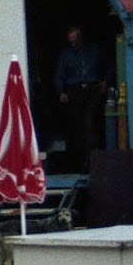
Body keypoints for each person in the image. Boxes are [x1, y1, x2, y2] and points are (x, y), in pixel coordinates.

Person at [53, 25, 110, 172]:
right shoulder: (65, 55)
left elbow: (108, 67)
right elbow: (60, 74)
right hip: (75, 92)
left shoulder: (95, 50)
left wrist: (106, 80)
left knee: (91, 124)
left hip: (93, 90)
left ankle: (95, 161)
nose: (73, 43)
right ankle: (81, 163)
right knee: (77, 128)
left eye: (76, 39)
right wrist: (61, 92)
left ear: (81, 37)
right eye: (70, 40)